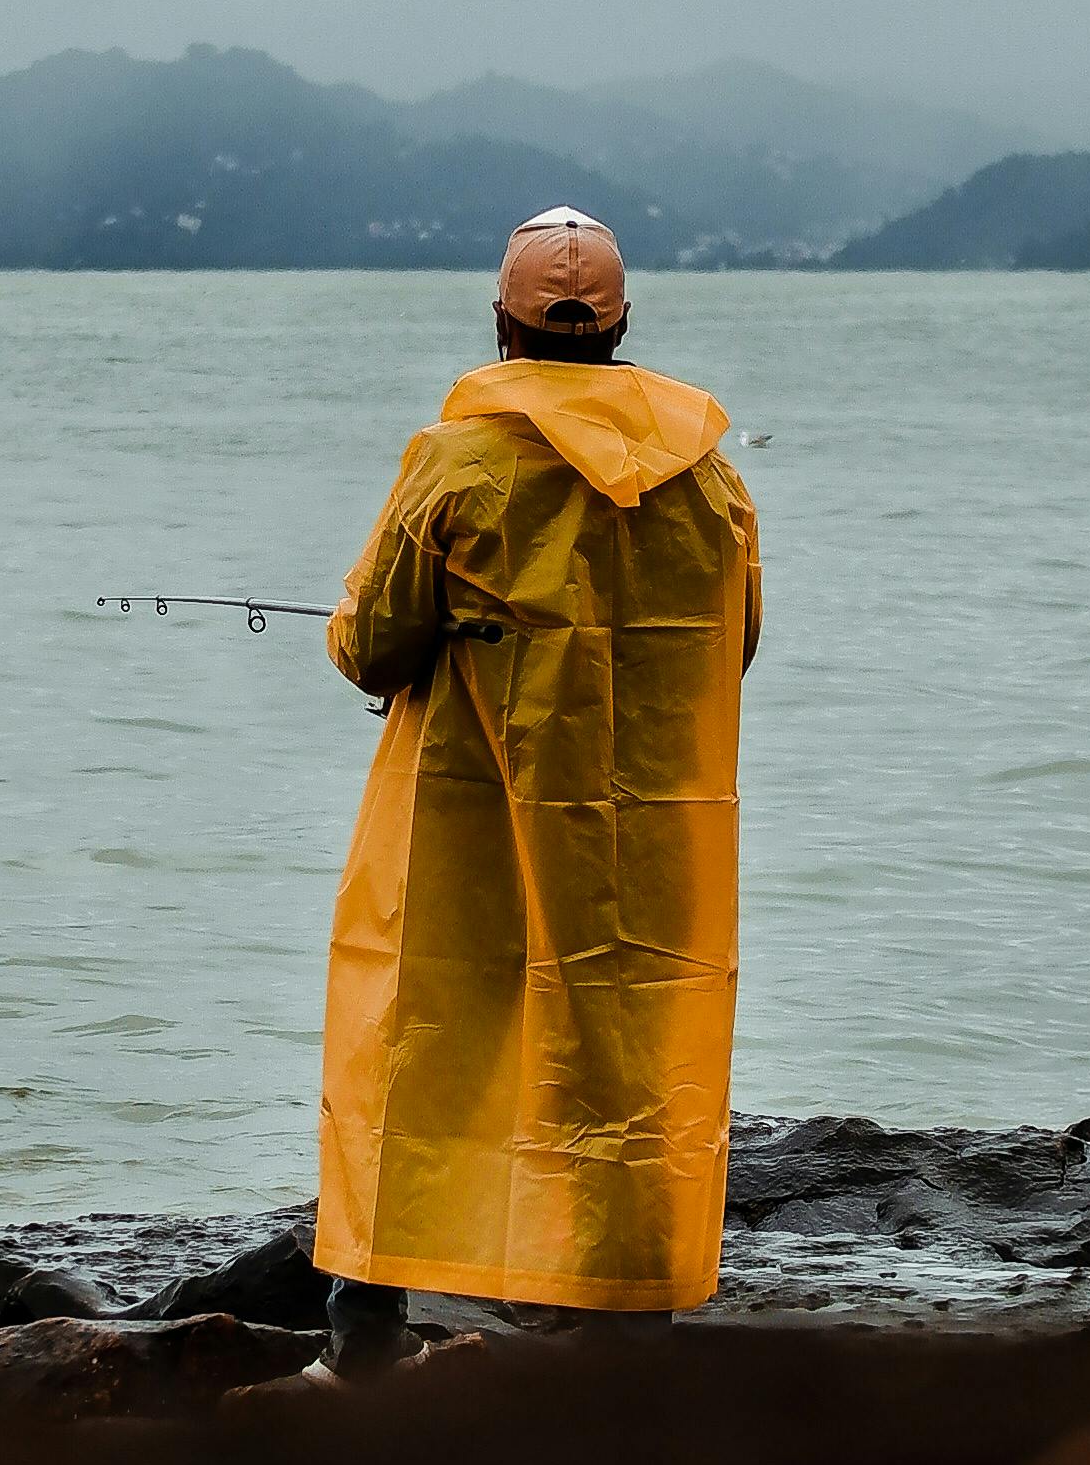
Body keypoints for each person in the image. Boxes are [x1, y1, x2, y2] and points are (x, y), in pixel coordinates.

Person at [313, 204, 762, 1367]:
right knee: (624, 1047)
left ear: (500, 325)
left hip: (467, 812)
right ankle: (622, 1318)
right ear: (623, 328)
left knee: (414, 1032)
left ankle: (367, 1334)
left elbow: (371, 644)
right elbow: (734, 640)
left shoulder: (455, 461)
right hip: (651, 831)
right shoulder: (709, 478)